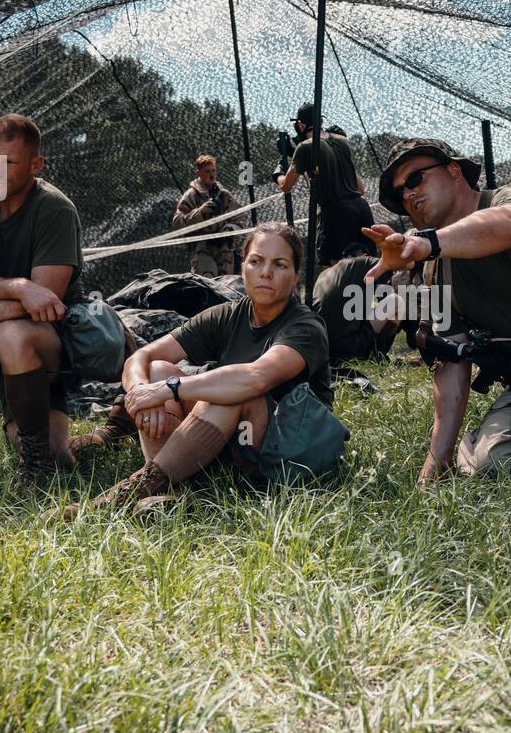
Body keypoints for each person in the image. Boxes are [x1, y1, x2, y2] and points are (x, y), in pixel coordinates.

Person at [366, 138, 511, 480]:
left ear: (453, 170)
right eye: (399, 194)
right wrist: (437, 460)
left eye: (414, 179)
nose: (407, 195)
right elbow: (453, 360)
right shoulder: (436, 272)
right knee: (491, 466)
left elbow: (510, 225)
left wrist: (428, 243)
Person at [65, 222, 335, 517]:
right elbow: (140, 358)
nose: (265, 272)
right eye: (256, 261)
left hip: (285, 453)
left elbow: (256, 377)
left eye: (279, 264)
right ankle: (173, 492)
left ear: (296, 276)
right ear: (241, 265)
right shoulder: (229, 314)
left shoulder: (305, 326)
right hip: (232, 443)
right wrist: (142, 391)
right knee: (157, 370)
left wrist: (168, 389)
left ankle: (122, 497)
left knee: (230, 391)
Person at [0, 114, 128, 486]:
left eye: (6, 162)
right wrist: (20, 287)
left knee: (10, 331)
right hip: (16, 357)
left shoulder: (53, 208)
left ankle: (103, 430)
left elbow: (47, 302)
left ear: (35, 164)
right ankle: (79, 444)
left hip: (64, 335)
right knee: (56, 455)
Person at [276, 102, 376, 265]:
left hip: (336, 213)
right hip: (362, 209)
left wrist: (278, 173)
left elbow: (286, 186)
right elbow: (361, 188)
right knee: (368, 269)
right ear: (321, 122)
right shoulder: (342, 141)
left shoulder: (305, 147)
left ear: (300, 125)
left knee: (334, 272)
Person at [310, 246, 406, 363]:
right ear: (364, 255)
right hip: (349, 350)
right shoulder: (369, 263)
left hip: (322, 350)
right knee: (397, 301)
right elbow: (391, 290)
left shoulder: (325, 275)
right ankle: (376, 354)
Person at [172, 154, 239, 277]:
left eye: (214, 170)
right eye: (207, 171)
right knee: (207, 283)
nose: (212, 174)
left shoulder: (224, 195)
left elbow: (238, 218)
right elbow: (177, 222)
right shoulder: (191, 195)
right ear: (198, 173)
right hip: (202, 249)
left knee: (227, 284)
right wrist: (200, 212)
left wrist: (228, 229)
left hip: (223, 249)